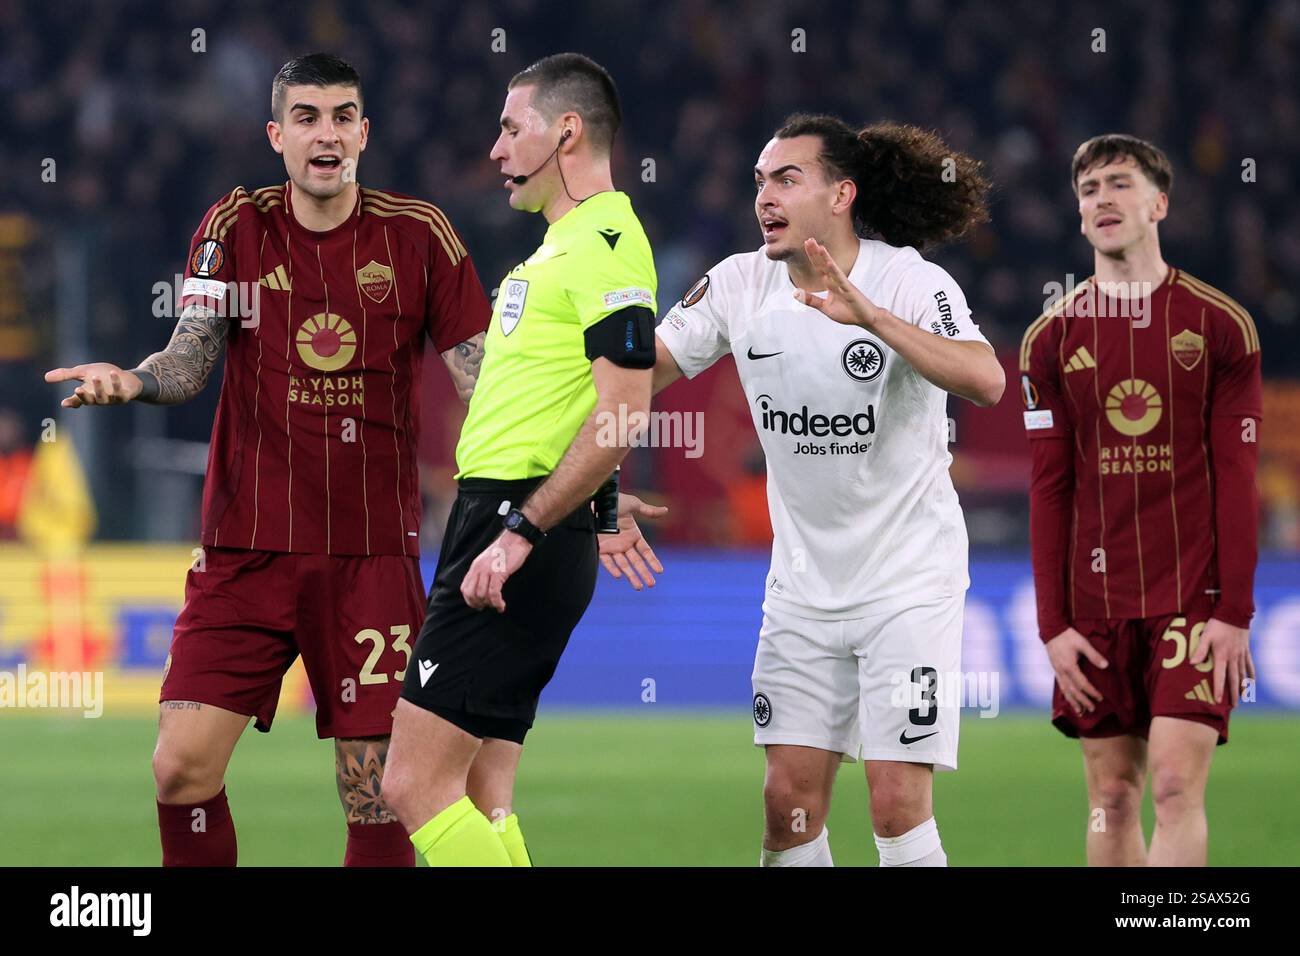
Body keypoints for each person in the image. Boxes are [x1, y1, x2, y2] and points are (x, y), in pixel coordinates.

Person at [44, 53, 490, 866]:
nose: (328, 134)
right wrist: (133, 381)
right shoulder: (236, 226)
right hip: (246, 546)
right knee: (179, 769)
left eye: (344, 116)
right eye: (309, 118)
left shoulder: (418, 236)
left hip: (370, 554)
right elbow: (188, 360)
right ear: (277, 135)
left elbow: (486, 384)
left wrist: (576, 486)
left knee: (375, 791)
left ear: (365, 132)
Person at [609, 114, 1001, 866]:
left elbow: (985, 379)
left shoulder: (910, 281)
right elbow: (635, 376)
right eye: (760, 180)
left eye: (787, 178)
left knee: (895, 804)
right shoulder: (737, 283)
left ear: (841, 194)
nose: (765, 195)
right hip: (802, 588)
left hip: (909, 583)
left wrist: (874, 320)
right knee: (787, 807)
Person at [381, 53, 662, 867]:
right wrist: (596, 507)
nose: (497, 150)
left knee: (410, 784)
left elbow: (624, 409)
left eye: (512, 128)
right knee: (481, 794)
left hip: (513, 528)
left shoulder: (605, 244)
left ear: (565, 130)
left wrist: (523, 530)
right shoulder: (563, 246)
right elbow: (576, 407)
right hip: (526, 521)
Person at [1021, 134, 1260, 866]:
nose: (1102, 200)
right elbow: (1049, 487)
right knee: (1112, 798)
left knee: (1175, 785)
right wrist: (1053, 624)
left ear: (1159, 204)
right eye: (1089, 190)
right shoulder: (1050, 339)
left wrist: (1235, 612)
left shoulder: (1221, 326)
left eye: (1119, 184)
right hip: (1094, 604)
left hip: (1193, 594)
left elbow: (1238, 474)